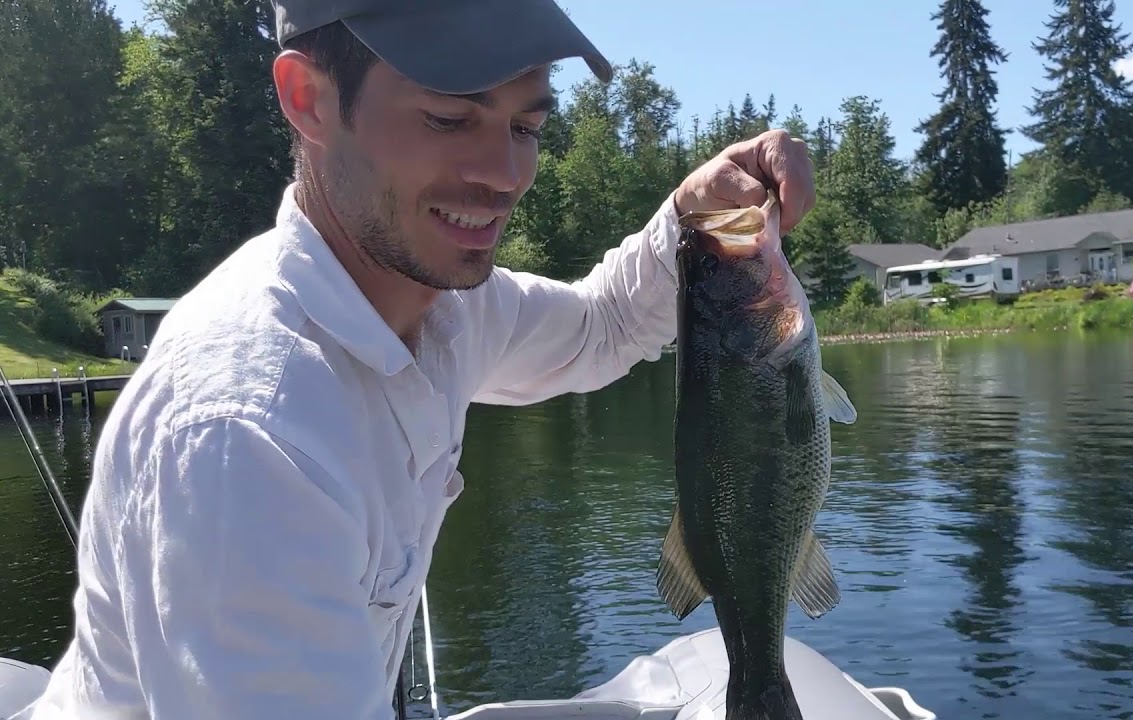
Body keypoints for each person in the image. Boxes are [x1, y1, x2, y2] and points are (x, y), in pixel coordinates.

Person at [22, 1, 816, 719]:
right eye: (447, 118)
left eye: (527, 128)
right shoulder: (247, 438)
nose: (505, 175)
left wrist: (696, 221)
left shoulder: (444, 306)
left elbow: (602, 327)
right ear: (309, 100)